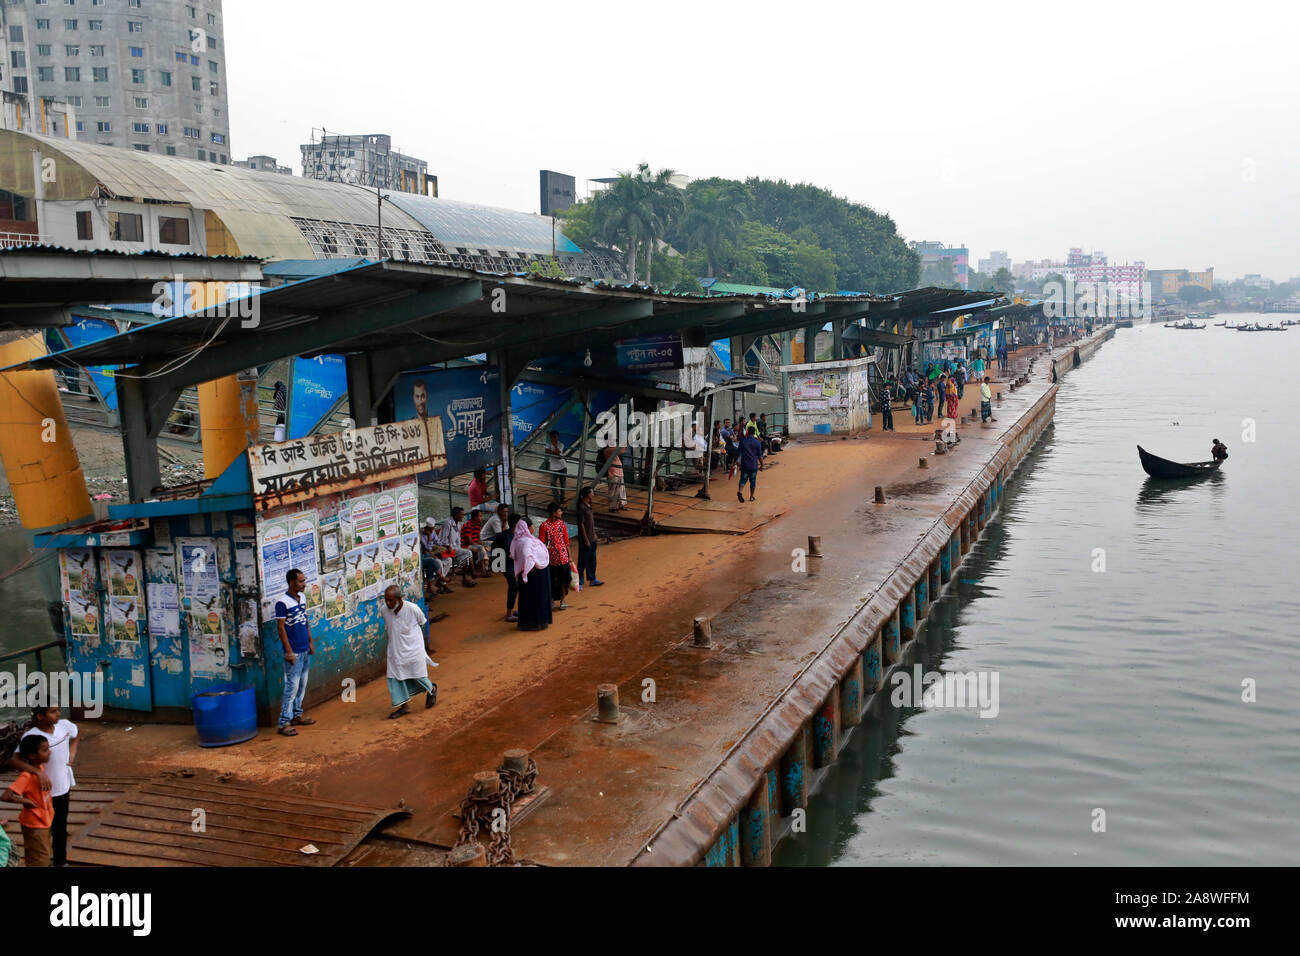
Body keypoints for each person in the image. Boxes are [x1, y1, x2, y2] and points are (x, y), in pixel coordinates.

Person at [8, 706, 77, 867]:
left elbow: (77, 734)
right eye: (53, 711)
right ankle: (43, 860)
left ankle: (60, 861)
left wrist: (72, 752)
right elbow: (14, 760)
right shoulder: (32, 737)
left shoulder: (65, 725)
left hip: (62, 786)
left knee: (60, 827)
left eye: (58, 710)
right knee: (44, 831)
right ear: (40, 716)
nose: (58, 714)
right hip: (43, 793)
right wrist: (38, 773)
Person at [380, 585, 437, 720]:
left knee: (418, 676)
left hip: (413, 649)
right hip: (394, 649)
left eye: (391, 600)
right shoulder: (384, 610)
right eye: (386, 600)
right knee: (396, 678)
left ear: (399, 599)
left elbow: (422, 622)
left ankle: (432, 689)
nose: (388, 603)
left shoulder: (412, 609)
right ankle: (404, 707)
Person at [275, 568, 315, 737]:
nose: (304, 584)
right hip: (294, 653)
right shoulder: (282, 603)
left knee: (302, 685)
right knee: (292, 687)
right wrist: (289, 652)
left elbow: (305, 620)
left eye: (304, 581)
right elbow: (281, 627)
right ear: (291, 582)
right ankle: (284, 722)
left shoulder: (302, 598)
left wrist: (310, 641)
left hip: (304, 648)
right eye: (300, 581)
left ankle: (297, 715)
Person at [2, 736, 53, 866]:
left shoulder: (39, 769)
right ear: (32, 755)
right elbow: (6, 796)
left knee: (41, 854)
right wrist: (26, 801)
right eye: (45, 750)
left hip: (44, 820)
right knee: (40, 858)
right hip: (35, 823)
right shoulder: (27, 776)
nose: (49, 752)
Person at [510, 516, 552, 631]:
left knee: (527, 598)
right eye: (532, 525)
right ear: (527, 527)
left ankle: (526, 623)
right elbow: (526, 554)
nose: (534, 527)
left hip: (527, 573)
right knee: (537, 598)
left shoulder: (518, 540)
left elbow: (515, 554)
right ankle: (537, 623)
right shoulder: (527, 540)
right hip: (534, 574)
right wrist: (530, 566)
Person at [539, 501, 573, 610]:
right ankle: (552, 600)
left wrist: (570, 557)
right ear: (554, 513)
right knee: (553, 580)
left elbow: (566, 541)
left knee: (564, 579)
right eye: (559, 511)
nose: (561, 512)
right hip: (551, 559)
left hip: (563, 557)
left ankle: (563, 600)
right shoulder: (544, 526)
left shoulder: (562, 524)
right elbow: (541, 543)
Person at [488, 511, 519, 621]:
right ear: (516, 525)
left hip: (514, 566)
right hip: (507, 566)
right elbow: (495, 551)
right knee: (514, 586)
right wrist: (497, 565)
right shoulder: (505, 537)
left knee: (519, 586)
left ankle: (517, 610)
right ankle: (508, 614)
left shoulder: (516, 535)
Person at [437, 509, 477, 587]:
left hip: (454, 548)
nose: (463, 516)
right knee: (468, 552)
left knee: (465, 553)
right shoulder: (447, 523)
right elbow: (443, 539)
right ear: (455, 515)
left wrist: (459, 548)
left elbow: (458, 539)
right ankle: (471, 574)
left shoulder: (458, 524)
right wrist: (448, 547)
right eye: (461, 515)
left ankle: (466, 577)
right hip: (445, 548)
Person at [577, 486, 603, 587]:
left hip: (593, 537)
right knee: (583, 560)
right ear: (588, 494)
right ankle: (580, 581)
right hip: (586, 539)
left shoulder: (588, 505)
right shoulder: (582, 507)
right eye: (592, 492)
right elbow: (581, 524)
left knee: (592, 559)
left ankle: (592, 579)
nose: (593, 494)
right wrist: (586, 539)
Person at [420, 517, 452, 595]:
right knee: (438, 562)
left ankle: (440, 581)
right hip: (427, 553)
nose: (432, 531)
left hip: (434, 551)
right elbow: (427, 548)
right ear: (426, 528)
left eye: (433, 529)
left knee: (449, 560)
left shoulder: (433, 532)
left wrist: (446, 546)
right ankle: (443, 582)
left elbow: (438, 542)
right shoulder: (421, 535)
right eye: (431, 529)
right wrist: (429, 537)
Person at [736, 424, 765, 503]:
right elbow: (760, 456)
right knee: (753, 481)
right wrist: (762, 465)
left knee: (743, 479)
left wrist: (737, 463)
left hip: (744, 464)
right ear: (754, 433)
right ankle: (751, 497)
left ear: (747, 432)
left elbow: (739, 453)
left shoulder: (742, 441)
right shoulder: (757, 442)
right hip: (753, 465)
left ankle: (740, 491)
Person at [460, 507, 489, 575]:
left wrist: (482, 543)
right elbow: (469, 541)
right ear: (475, 517)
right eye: (480, 516)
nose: (481, 518)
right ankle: (483, 570)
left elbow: (478, 538)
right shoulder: (468, 525)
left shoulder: (478, 524)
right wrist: (480, 545)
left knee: (488, 544)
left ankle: (483, 566)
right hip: (466, 545)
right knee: (480, 548)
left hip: (474, 544)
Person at [544, 431, 568, 504]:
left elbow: (558, 454)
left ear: (558, 437)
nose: (554, 438)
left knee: (562, 483)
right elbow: (546, 451)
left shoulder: (561, 444)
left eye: (555, 436)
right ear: (550, 437)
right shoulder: (548, 444)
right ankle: (556, 498)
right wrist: (554, 451)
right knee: (552, 484)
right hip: (553, 468)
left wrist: (554, 446)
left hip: (562, 467)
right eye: (552, 436)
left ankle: (562, 498)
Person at [602, 445, 626, 512]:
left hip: (618, 473)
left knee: (620, 491)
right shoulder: (609, 450)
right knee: (613, 491)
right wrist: (626, 442)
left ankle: (619, 505)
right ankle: (612, 507)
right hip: (613, 473)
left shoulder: (610, 449)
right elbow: (622, 450)